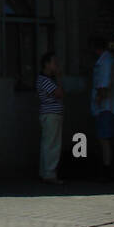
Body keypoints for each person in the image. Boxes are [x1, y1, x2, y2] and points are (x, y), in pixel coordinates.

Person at [90, 36, 114, 180]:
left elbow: (104, 86)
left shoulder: (105, 62)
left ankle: (107, 169)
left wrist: (97, 101)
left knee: (105, 140)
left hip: (106, 107)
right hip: (113, 106)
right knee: (113, 139)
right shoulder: (111, 60)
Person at [36, 51, 64, 184]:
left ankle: (45, 172)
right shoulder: (45, 80)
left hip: (49, 114)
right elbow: (59, 93)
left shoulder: (44, 79)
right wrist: (59, 77)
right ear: (47, 64)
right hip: (51, 114)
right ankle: (50, 174)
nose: (56, 65)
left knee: (47, 143)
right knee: (52, 145)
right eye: (54, 63)